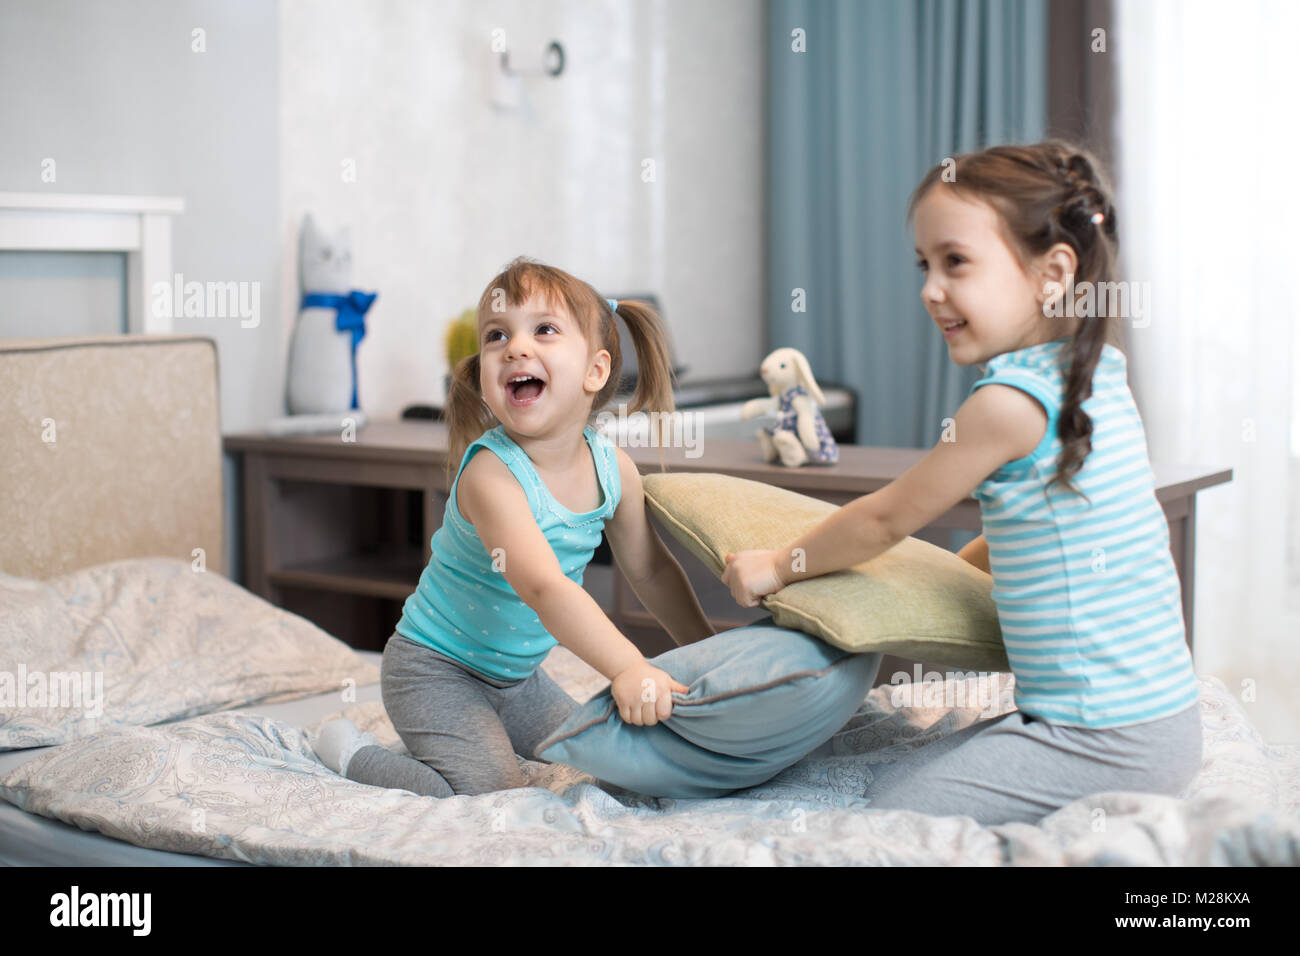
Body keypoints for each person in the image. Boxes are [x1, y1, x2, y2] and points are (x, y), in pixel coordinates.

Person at [721, 140, 1202, 826]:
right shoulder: (1095, 373)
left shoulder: (1006, 406)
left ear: (1052, 272)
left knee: (889, 818)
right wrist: (949, 575)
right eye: (924, 264)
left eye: (956, 263)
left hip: (1104, 739)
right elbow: (1040, 527)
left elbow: (885, 518)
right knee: (889, 770)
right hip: (1152, 723)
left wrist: (777, 563)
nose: (929, 289)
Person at [311, 256, 714, 797]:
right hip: (433, 672)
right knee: (490, 793)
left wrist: (706, 654)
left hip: (519, 680)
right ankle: (352, 753)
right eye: (497, 335)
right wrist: (629, 666)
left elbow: (651, 571)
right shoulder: (492, 475)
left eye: (544, 330)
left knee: (615, 761)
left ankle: (457, 741)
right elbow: (545, 588)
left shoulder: (614, 468)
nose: (515, 348)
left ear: (596, 370)